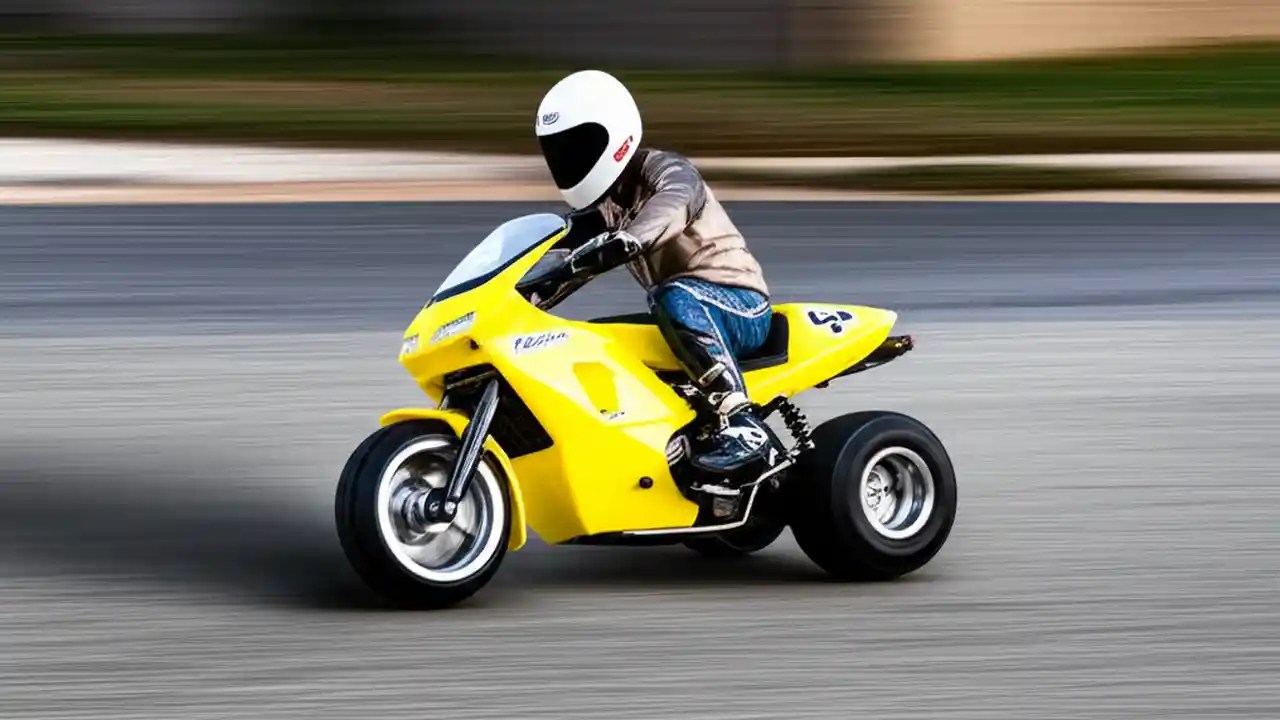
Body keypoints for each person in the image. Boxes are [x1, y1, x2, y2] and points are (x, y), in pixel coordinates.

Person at [533, 69, 774, 477]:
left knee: (673, 296)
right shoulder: (605, 207)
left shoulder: (670, 173)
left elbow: (667, 211)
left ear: (616, 132)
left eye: (579, 146)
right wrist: (522, 295)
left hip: (740, 306)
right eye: (560, 150)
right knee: (594, 339)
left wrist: (625, 240)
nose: (569, 160)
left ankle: (744, 424)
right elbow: (569, 260)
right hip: (682, 309)